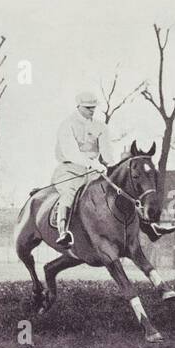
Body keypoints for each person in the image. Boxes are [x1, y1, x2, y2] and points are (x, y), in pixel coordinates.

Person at [51, 91, 113, 248]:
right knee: (69, 192)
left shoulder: (101, 127)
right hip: (69, 170)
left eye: (94, 107)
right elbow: (71, 153)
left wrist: (110, 166)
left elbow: (106, 153)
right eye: (88, 107)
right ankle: (63, 231)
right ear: (78, 106)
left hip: (93, 172)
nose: (92, 110)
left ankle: (145, 225)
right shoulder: (67, 125)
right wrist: (93, 164)